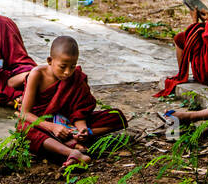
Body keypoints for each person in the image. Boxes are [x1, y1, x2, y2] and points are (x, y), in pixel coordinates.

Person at [17, 35, 128, 168]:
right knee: (24, 129)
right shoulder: (37, 75)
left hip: (68, 125)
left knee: (117, 116)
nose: (67, 72)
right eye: (62, 66)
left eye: (72, 66)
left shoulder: (76, 77)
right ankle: (72, 152)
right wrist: (53, 127)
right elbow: (25, 113)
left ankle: (73, 140)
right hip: (44, 122)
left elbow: (79, 111)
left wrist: (82, 129)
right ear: (50, 61)